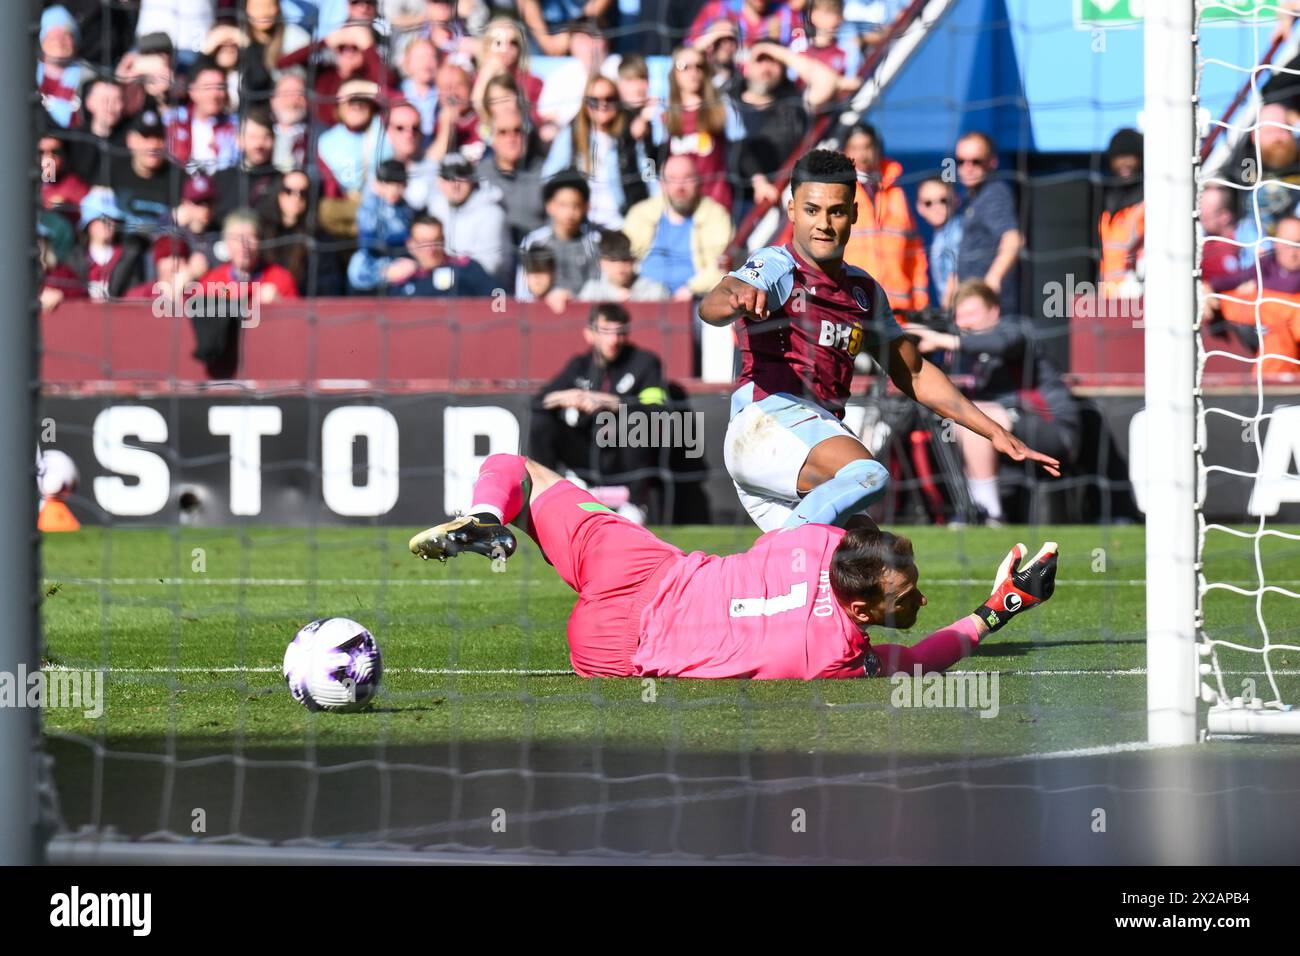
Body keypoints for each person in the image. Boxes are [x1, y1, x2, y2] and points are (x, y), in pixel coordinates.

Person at [407, 452, 1060, 679]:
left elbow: (839, 528)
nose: (919, 603)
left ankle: (489, 514)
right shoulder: (835, 657)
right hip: (618, 646)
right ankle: (492, 519)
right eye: (907, 597)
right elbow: (918, 661)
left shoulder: (813, 545)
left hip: (647, 569)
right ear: (862, 612)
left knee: (520, 470)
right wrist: (1000, 607)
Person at [698, 149, 1059, 532]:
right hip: (767, 426)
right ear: (791, 211)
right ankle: (769, 558)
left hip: (814, 441)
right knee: (867, 474)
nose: (824, 224)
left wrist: (993, 430)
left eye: (836, 211)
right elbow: (715, 304)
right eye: (811, 210)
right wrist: (736, 298)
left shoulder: (864, 292)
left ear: (854, 213)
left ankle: (771, 571)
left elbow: (915, 374)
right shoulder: (777, 265)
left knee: (876, 567)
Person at [903, 279, 1081, 525]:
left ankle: (990, 513)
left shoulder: (1017, 328)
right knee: (952, 418)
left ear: (994, 310)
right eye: (960, 317)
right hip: (1009, 428)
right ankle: (968, 508)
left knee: (977, 418)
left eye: (972, 313)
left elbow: (1002, 343)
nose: (965, 323)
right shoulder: (969, 352)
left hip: (1052, 427)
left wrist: (941, 339)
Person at [527, 304, 667, 519]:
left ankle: (635, 506)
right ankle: (544, 498)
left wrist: (610, 402)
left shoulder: (645, 362)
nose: (613, 340)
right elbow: (538, 402)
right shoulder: (578, 366)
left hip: (624, 453)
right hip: (585, 451)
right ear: (590, 333)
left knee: (639, 420)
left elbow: (657, 406)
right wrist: (569, 397)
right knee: (542, 421)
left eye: (619, 333)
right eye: (605, 332)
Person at [841, 123, 929, 315]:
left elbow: (914, 250)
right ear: (844, 151)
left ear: (877, 149)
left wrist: (920, 304)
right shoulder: (839, 191)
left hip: (898, 310)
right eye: (855, 148)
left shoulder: (895, 190)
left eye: (867, 147)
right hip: (853, 306)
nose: (862, 155)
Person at [623, 154, 734, 301]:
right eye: (673, 179)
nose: (680, 186)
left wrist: (691, 289)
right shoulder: (640, 214)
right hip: (641, 297)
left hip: (696, 300)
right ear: (662, 184)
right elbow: (620, 259)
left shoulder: (715, 216)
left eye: (687, 178)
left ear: (699, 182)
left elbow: (722, 268)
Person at [953, 131, 1022, 315]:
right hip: (972, 304)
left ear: (992, 162)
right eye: (961, 161)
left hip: (989, 307)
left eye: (976, 161)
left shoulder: (994, 193)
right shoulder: (972, 196)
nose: (967, 167)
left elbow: (1013, 238)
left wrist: (993, 279)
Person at [517, 171, 603, 301]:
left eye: (576, 206)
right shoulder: (535, 242)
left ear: (586, 207)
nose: (569, 213)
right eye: (563, 205)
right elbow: (523, 292)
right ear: (549, 206)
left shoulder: (595, 243)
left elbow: (600, 289)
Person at [384, 213, 498, 297]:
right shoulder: (402, 277)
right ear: (410, 245)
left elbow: (501, 300)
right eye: (423, 243)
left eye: (435, 242)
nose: (431, 249)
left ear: (443, 241)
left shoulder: (465, 269)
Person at [1098, 127, 1144, 296]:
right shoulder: (1108, 202)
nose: (1123, 163)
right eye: (1118, 157)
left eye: (1129, 156)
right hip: (1109, 297)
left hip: (1138, 296)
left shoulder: (1148, 202)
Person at [578, 230, 670, 302]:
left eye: (625, 259)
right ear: (601, 263)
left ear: (633, 261)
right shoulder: (592, 292)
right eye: (613, 260)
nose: (620, 267)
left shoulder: (654, 291)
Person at [915, 175, 962, 309]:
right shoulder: (940, 236)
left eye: (943, 200)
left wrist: (945, 315)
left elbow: (955, 279)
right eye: (928, 203)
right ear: (919, 207)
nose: (936, 207)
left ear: (956, 200)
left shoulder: (956, 232)